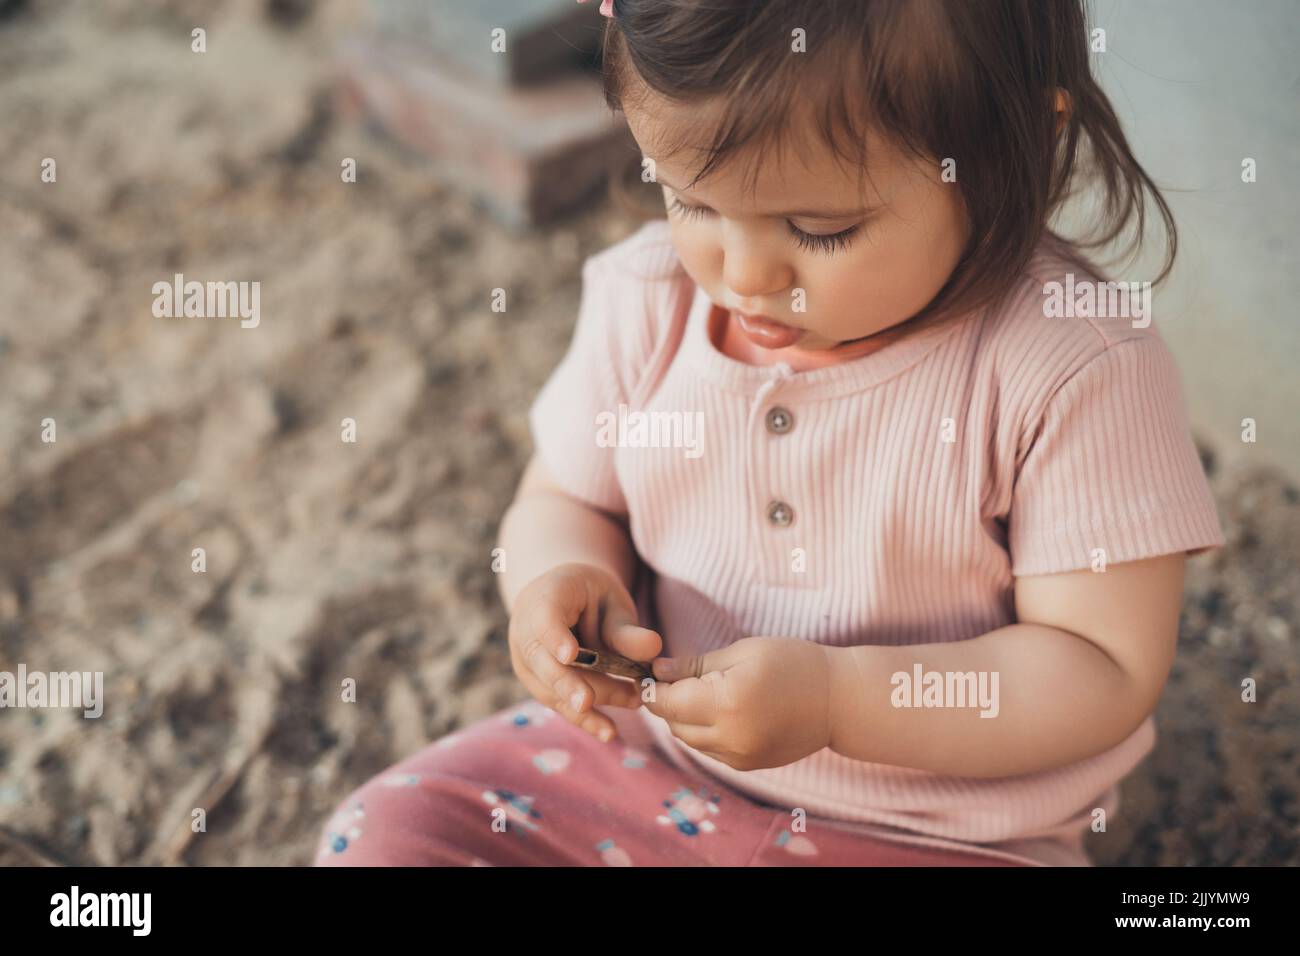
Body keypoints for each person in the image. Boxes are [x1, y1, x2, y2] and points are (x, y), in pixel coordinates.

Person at [316, 0, 1223, 867]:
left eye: (820, 228)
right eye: (692, 204)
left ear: (1015, 141)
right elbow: (564, 496)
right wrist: (560, 584)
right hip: (646, 770)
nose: (744, 275)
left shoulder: (1076, 366)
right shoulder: (648, 303)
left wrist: (839, 703)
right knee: (393, 831)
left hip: (940, 836)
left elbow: (1101, 667)